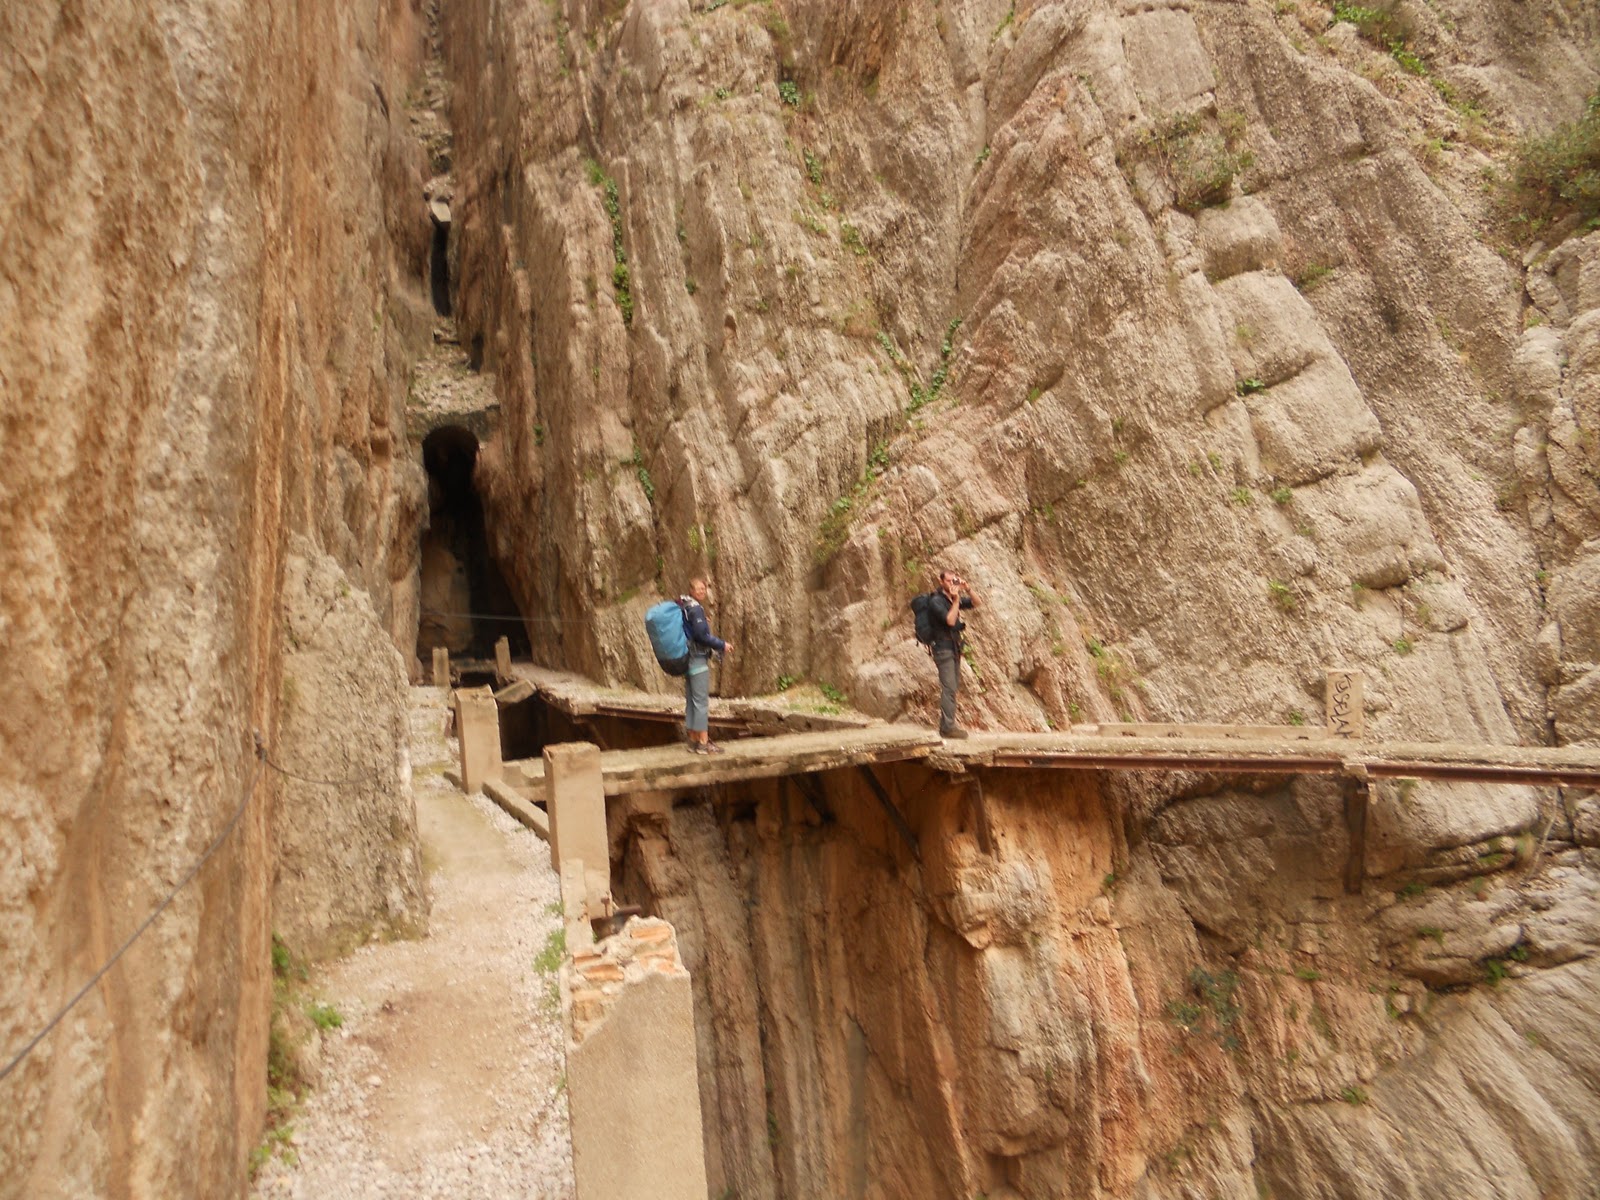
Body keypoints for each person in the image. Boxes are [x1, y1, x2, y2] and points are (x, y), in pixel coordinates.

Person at [681, 577, 731, 754]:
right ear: (692, 591)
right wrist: (722, 644)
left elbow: (692, 631)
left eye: (704, 589)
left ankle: (693, 740)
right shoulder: (695, 608)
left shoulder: (685, 607)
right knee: (701, 702)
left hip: (687, 660)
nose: (702, 592)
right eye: (698, 589)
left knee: (692, 700)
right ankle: (703, 743)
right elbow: (702, 637)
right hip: (697, 660)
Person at [928, 569, 978, 739]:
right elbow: (950, 620)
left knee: (952, 687)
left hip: (954, 648)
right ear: (941, 581)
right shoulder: (936, 601)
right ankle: (948, 728)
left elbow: (977, 603)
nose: (952, 584)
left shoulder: (951, 599)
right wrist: (956, 600)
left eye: (954, 581)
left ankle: (946, 725)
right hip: (943, 649)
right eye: (949, 581)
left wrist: (968, 588)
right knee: (949, 688)